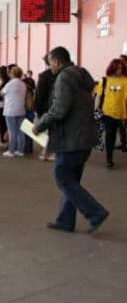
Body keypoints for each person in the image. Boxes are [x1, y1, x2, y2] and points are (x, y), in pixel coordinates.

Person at [33, 46, 109, 233]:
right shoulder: (81, 75)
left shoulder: (64, 77)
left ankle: (95, 212)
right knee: (71, 180)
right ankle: (65, 220)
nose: (49, 67)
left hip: (71, 139)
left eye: (50, 63)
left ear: (57, 61)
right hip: (83, 137)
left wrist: (40, 124)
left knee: (63, 178)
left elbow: (59, 109)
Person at [92, 58, 127, 169]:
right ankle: (109, 159)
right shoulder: (104, 80)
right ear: (112, 68)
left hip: (122, 113)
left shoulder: (125, 81)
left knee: (119, 134)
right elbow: (98, 96)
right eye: (117, 68)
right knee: (110, 136)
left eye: (121, 68)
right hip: (107, 112)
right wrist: (96, 109)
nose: (119, 70)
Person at [1, 65, 27, 157]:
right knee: (21, 132)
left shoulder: (10, 83)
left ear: (12, 73)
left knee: (12, 131)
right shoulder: (23, 84)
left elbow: (2, 93)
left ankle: (11, 151)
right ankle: (20, 151)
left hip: (10, 110)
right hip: (21, 110)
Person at [35, 54, 57, 161]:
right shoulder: (58, 74)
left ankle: (45, 152)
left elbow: (39, 94)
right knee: (52, 132)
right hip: (51, 107)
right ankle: (46, 152)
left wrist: (38, 109)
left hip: (45, 108)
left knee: (50, 131)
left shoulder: (44, 75)